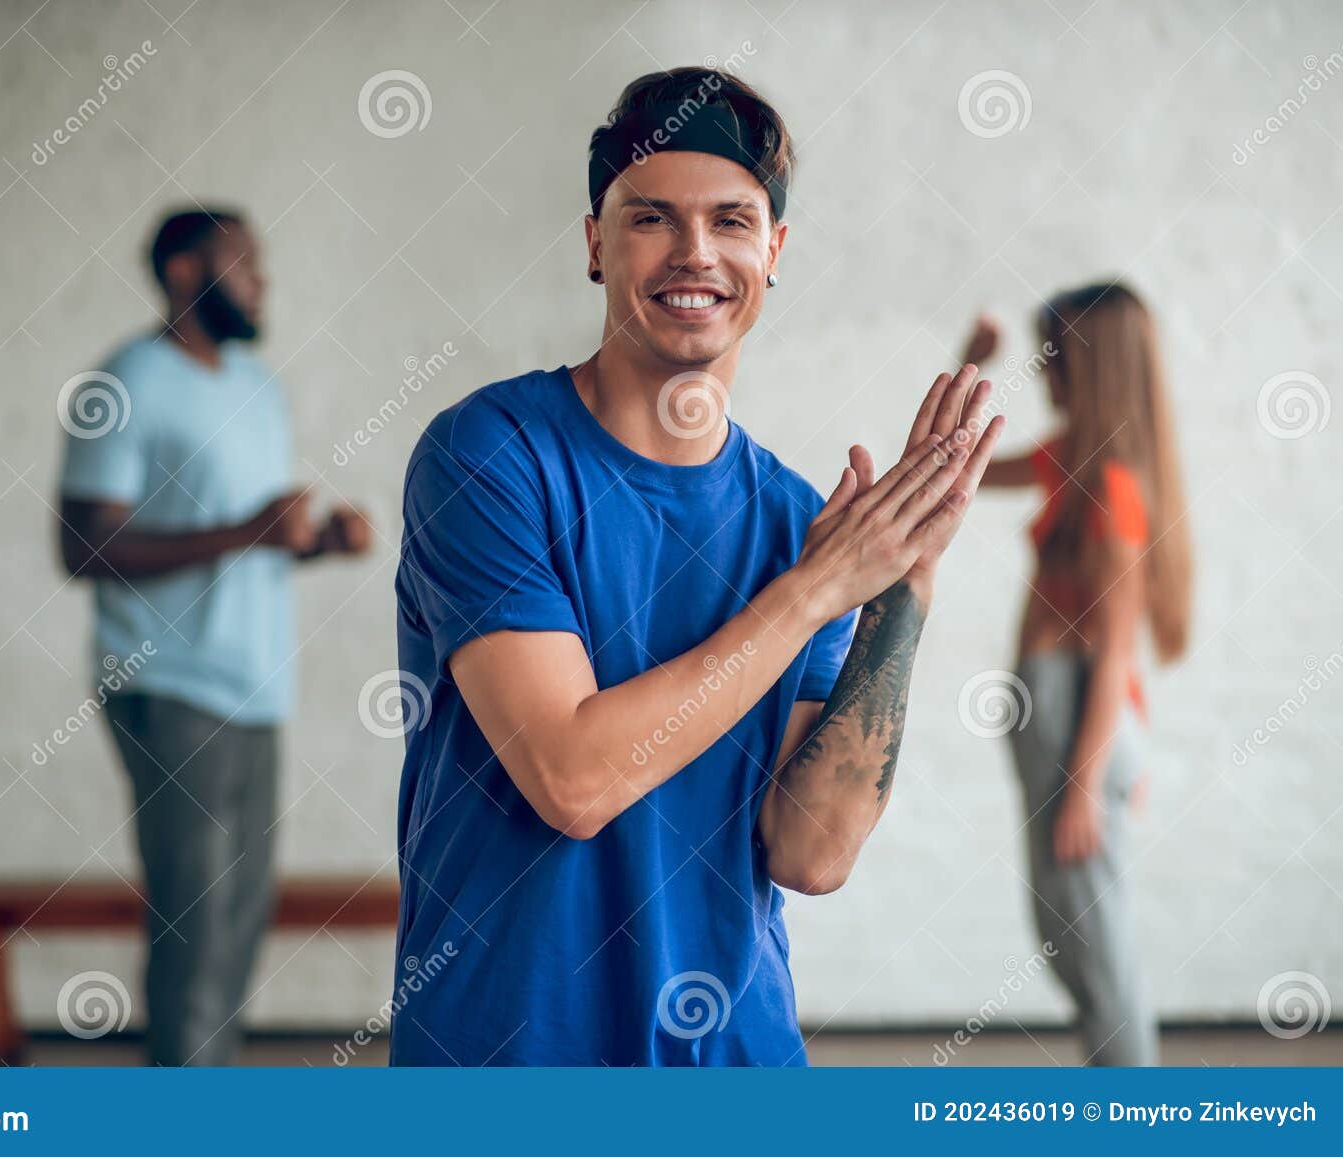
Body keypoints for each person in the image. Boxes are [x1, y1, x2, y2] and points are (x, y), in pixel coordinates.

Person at [387, 69, 1005, 1066]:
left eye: (730, 219)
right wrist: (810, 593)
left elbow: (811, 851)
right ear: (595, 242)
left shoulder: (803, 518)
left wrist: (902, 586)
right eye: (650, 219)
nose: (694, 254)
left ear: (774, 249)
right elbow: (573, 778)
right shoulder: (487, 456)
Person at [57, 207, 370, 1066]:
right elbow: (83, 545)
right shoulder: (126, 380)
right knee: (193, 919)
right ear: (187, 272)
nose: (263, 280)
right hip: (168, 685)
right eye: (246, 264)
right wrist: (245, 532)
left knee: (239, 920)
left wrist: (316, 541)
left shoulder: (254, 385)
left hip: (258, 684)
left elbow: (246, 538)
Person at [963, 282, 1192, 1066]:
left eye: (1056, 353)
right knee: (1068, 932)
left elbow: (1116, 651)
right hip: (1058, 715)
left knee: (1095, 940)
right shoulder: (1069, 459)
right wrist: (969, 369)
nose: (1044, 368)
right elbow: (963, 469)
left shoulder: (1112, 492)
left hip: (1078, 725)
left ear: (1094, 366)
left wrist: (1085, 785)